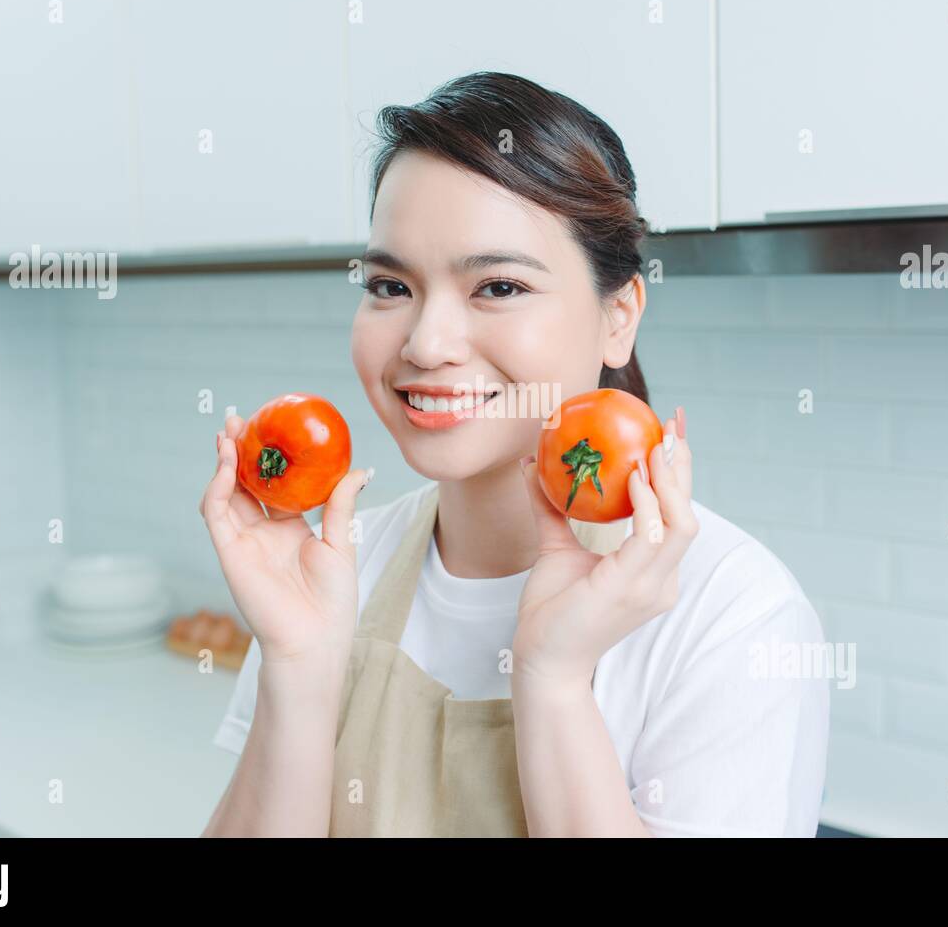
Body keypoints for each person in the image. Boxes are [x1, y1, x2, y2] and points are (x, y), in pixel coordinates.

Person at [200, 71, 828, 837]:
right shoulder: (333, 574)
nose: (426, 344)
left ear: (618, 316)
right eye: (390, 285)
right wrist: (297, 668)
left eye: (497, 286)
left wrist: (554, 680)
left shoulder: (732, 615)